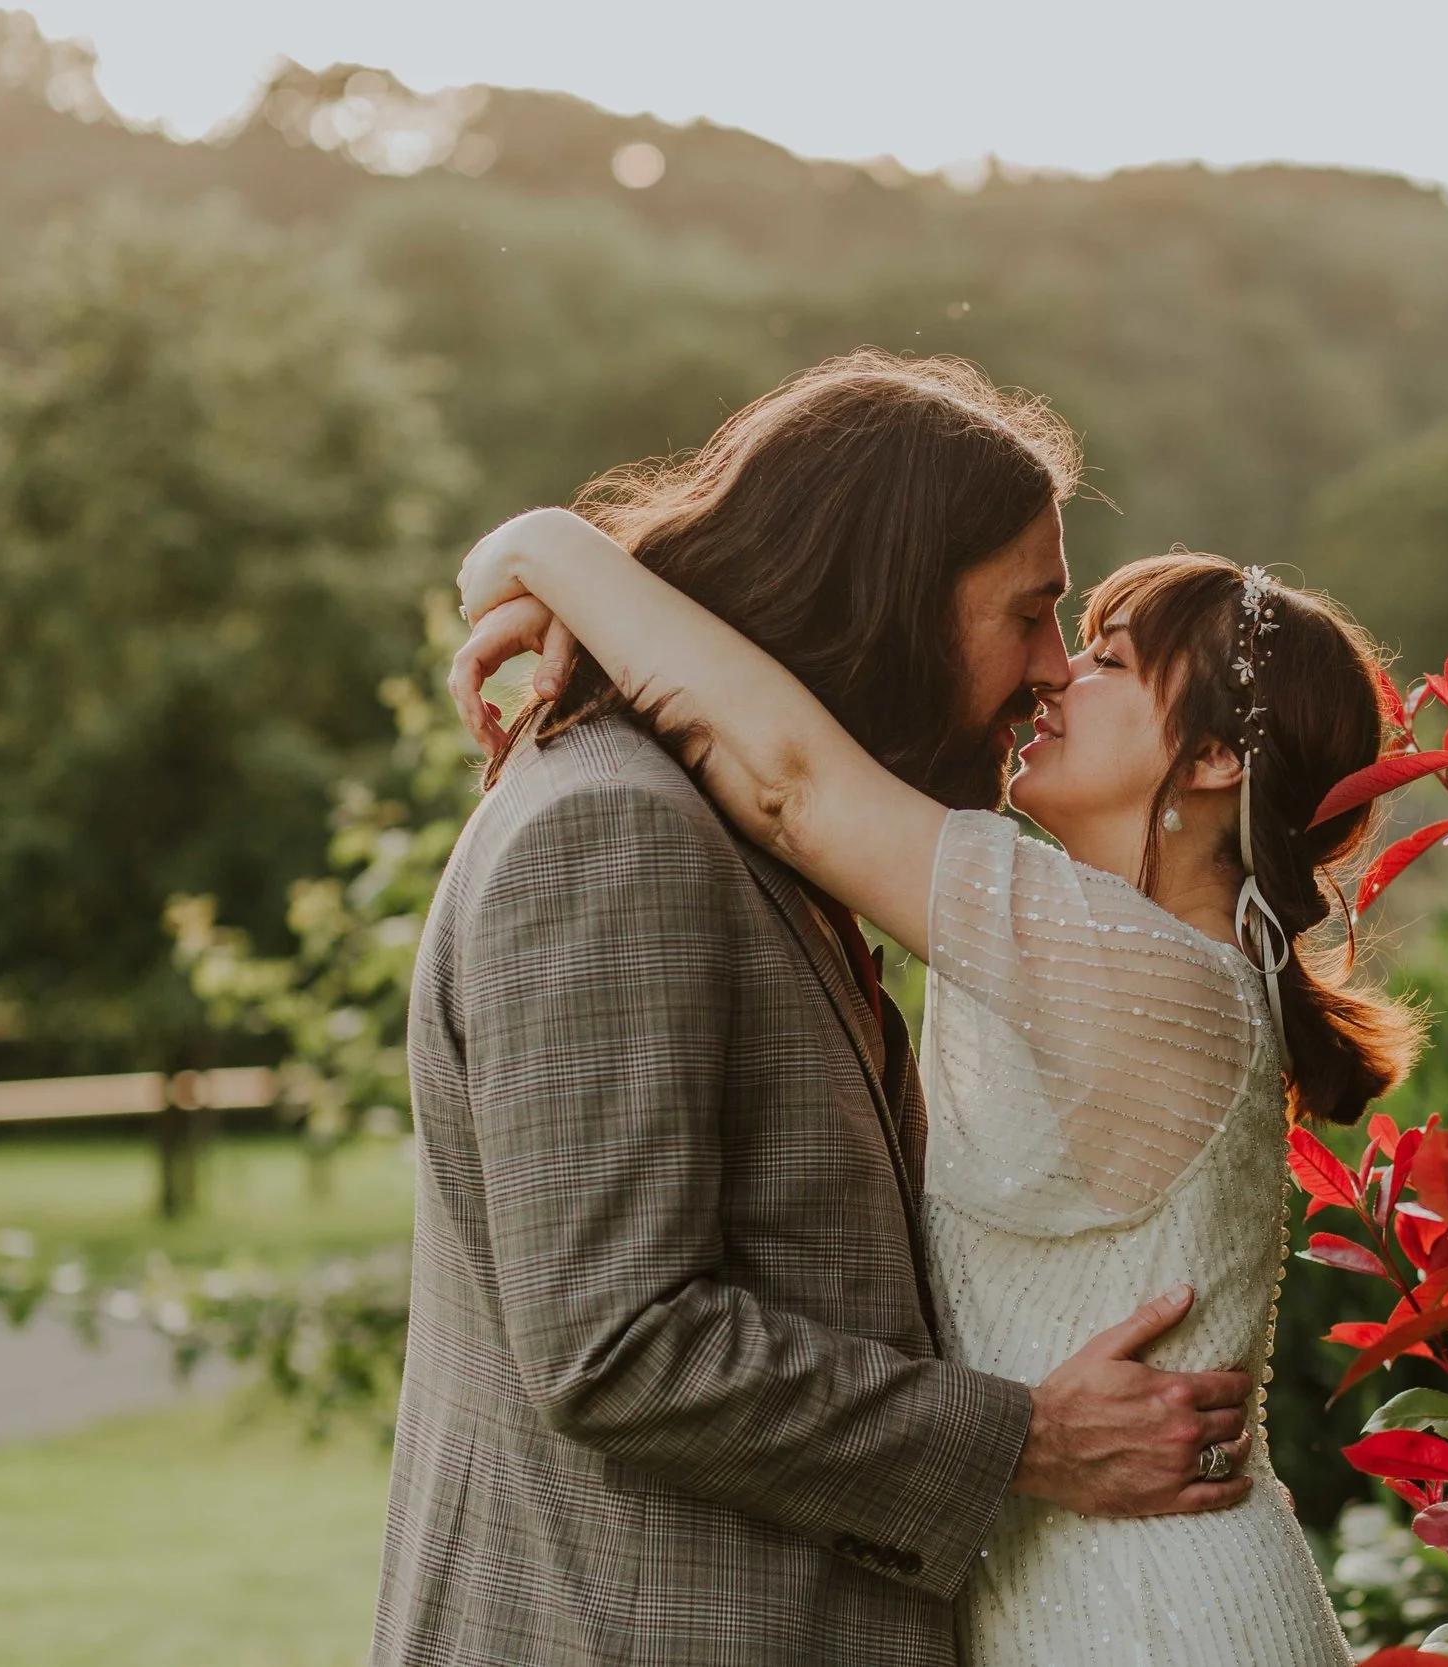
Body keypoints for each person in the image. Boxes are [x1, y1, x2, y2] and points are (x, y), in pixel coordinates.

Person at [376, 354, 1273, 1667]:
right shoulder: (619, 833)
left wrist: (573, 567)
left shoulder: (727, 829)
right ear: (891, 599)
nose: (1045, 670)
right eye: (1029, 615)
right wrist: (1024, 1434)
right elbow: (619, 1345)